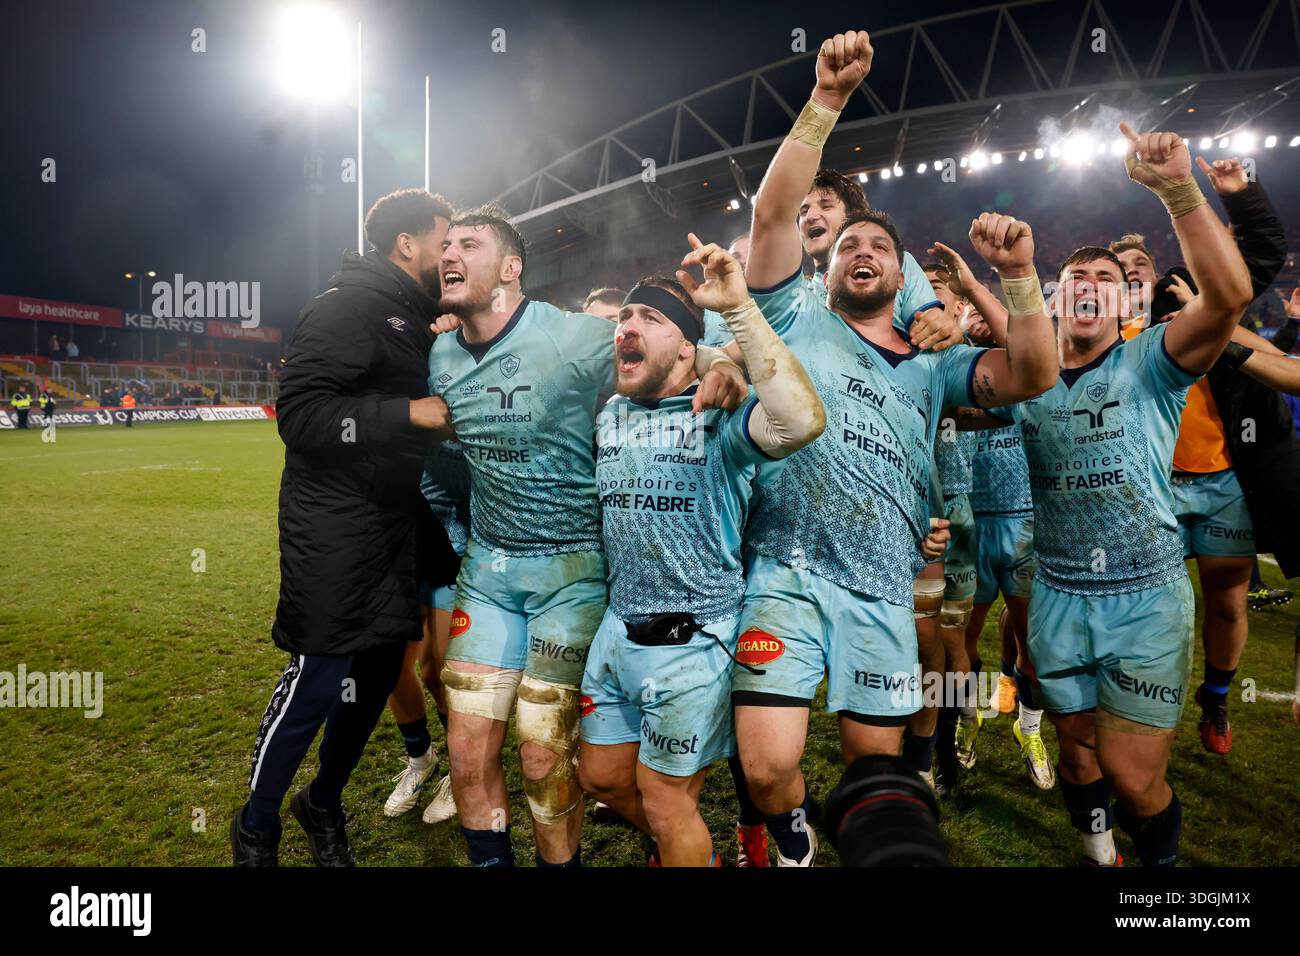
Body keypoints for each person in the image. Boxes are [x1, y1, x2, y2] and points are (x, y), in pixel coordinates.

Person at [735, 28, 1058, 866]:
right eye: (849, 245)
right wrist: (828, 101)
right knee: (770, 770)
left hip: (883, 586)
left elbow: (1031, 373)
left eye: (881, 245)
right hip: (786, 570)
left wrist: (1019, 277)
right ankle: (792, 839)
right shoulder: (791, 316)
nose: (863, 251)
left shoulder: (936, 362)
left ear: (903, 272)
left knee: (875, 776)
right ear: (828, 268)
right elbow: (773, 213)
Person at [960, 124, 1254, 866]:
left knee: (1129, 773)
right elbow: (933, 390)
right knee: (1077, 747)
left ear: (1126, 301)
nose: (1089, 286)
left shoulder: (1152, 360)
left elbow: (1230, 294)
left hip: (1146, 597)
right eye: (1074, 279)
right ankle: (1101, 855)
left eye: (1107, 280)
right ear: (1055, 299)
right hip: (1057, 593)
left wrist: (1178, 189)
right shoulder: (1024, 377)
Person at [430, 204, 747, 868]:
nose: (448, 254)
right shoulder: (441, 350)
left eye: (468, 244)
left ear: (510, 268)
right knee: (465, 751)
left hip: (570, 576)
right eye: (445, 245)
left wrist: (729, 360)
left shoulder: (573, 336)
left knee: (543, 754)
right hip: (487, 573)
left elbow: (666, 354)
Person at [578, 240, 825, 866]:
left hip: (693, 640)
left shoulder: (722, 418)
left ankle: (689, 845)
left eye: (651, 320)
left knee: (665, 801)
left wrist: (734, 328)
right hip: (616, 632)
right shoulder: (611, 411)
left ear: (688, 347)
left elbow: (801, 421)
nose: (627, 328)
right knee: (603, 780)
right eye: (625, 319)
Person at [231, 188, 457, 867]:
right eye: (443, 241)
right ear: (407, 243)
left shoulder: (414, 318)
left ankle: (322, 801)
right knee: (320, 676)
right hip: (331, 529)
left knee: (375, 678)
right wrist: (404, 413)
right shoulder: (346, 307)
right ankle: (256, 824)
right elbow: (299, 418)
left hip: (393, 525)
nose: (449, 255)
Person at [1112, 158, 1299, 754]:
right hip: (1149, 487)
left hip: (1222, 481)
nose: (1132, 275)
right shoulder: (1089, 336)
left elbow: (1261, 256)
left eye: (1140, 265)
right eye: (1119, 271)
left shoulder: (1189, 306)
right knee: (1140, 607)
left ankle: (1215, 698)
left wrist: (1240, 194)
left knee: (1225, 600)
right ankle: (1134, 708)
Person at [931, 246, 1056, 789]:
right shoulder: (943, 369)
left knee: (1035, 646)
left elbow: (1033, 359)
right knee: (957, 643)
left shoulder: (1016, 369)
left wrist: (984, 303)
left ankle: (1029, 729)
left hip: (1024, 522)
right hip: (967, 522)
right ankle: (963, 725)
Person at [381, 436, 470, 825]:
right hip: (397, 545)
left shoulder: (451, 398)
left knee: (440, 673)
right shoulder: (393, 398)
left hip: (452, 548)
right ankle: (421, 759)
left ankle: (462, 773)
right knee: (389, 668)